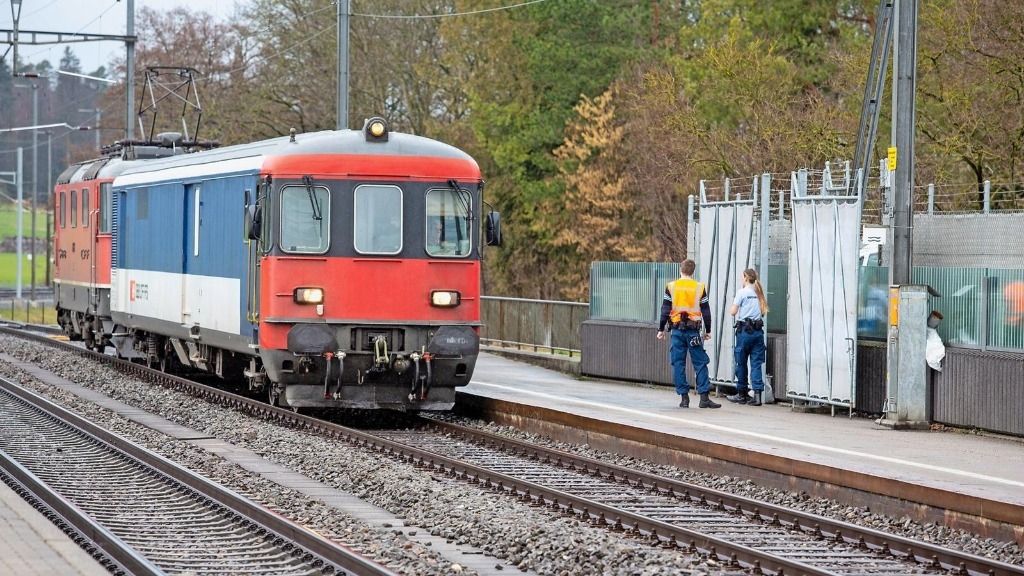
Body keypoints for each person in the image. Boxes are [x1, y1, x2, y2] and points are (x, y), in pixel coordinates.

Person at [656, 260, 719, 409]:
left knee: (678, 363)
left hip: (677, 331)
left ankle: (684, 398)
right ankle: (704, 398)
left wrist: (661, 329)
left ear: (680, 270)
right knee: (700, 363)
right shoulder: (699, 287)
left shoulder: (671, 286)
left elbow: (665, 309)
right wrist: (708, 330)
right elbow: (706, 311)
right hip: (693, 332)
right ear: (693, 271)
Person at [726, 268, 768, 406]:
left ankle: (742, 393)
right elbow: (763, 312)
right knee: (756, 364)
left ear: (745, 278)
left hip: (745, 332)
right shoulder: (759, 293)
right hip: (758, 333)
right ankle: (757, 396)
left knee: (741, 362)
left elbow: (733, 312)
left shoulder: (742, 292)